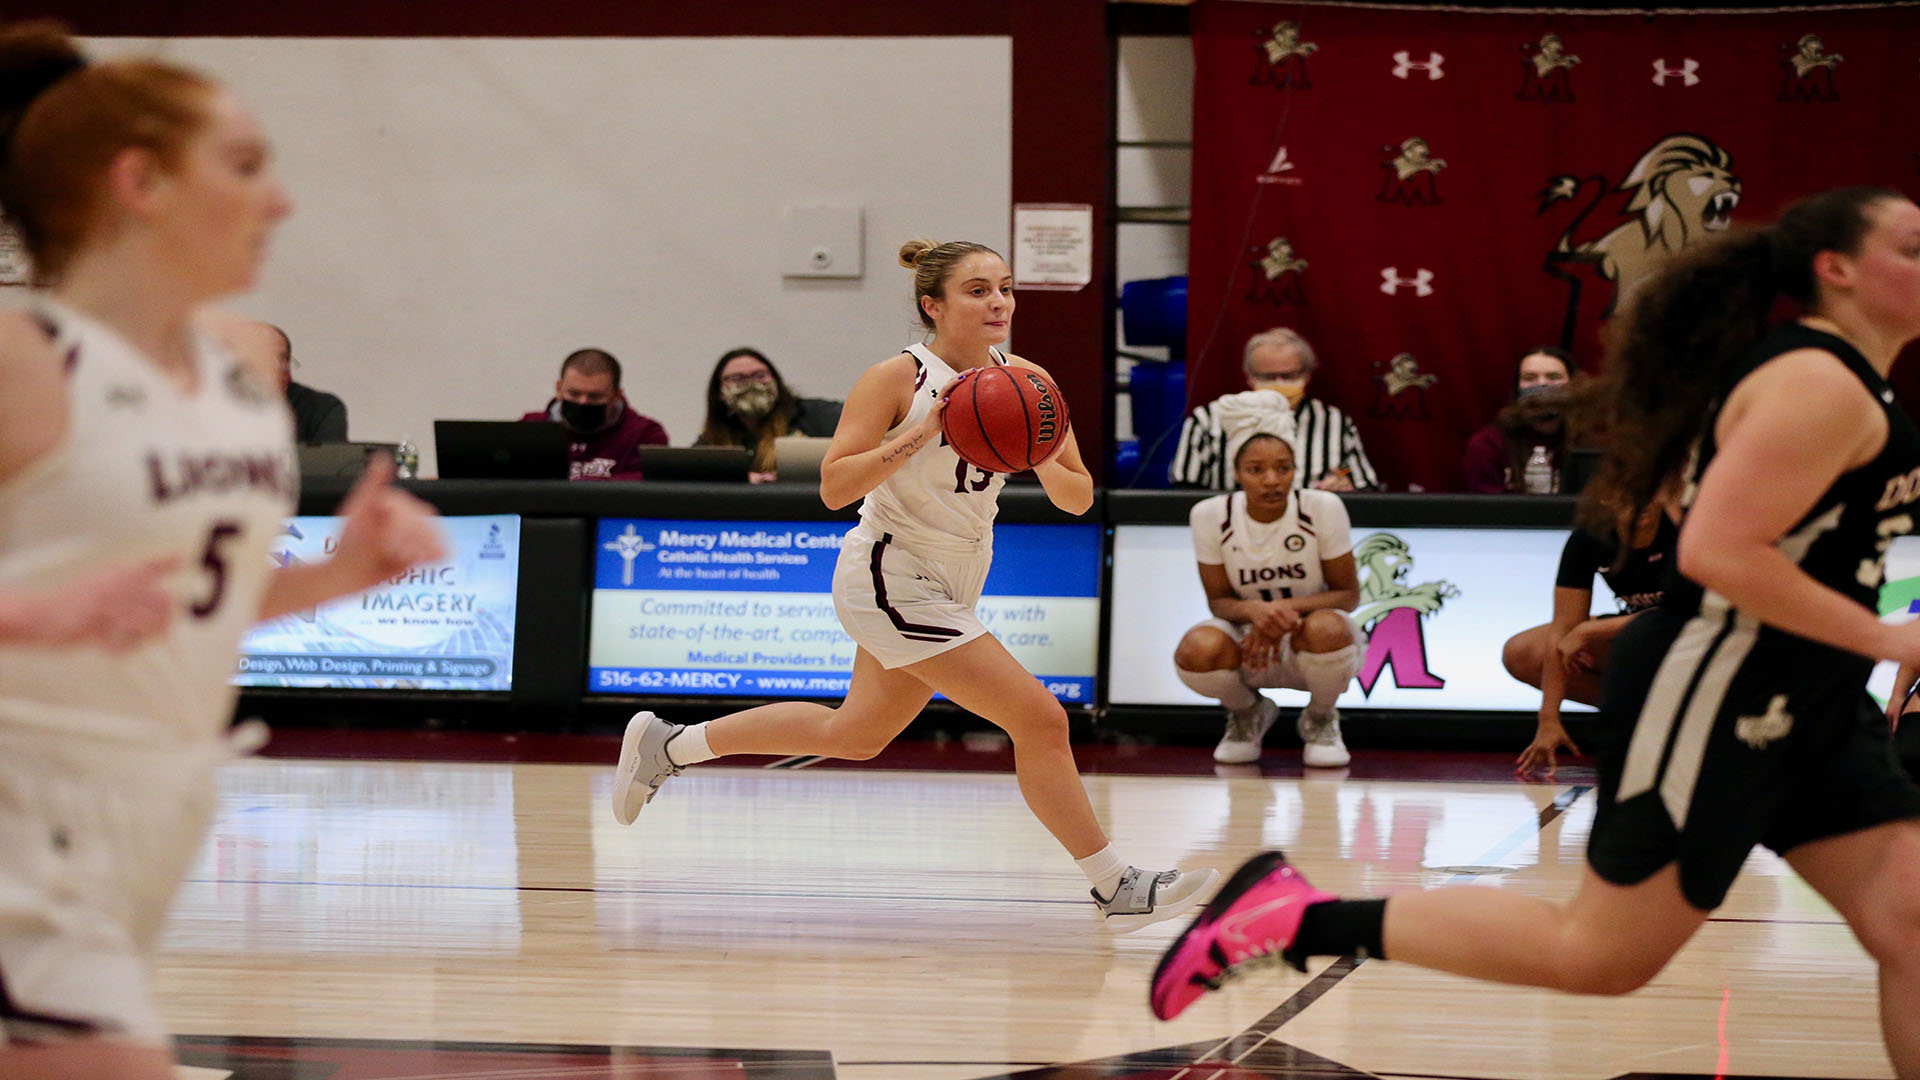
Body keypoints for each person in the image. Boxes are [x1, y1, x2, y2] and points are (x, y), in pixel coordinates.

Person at [1149, 187, 1920, 1079]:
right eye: (1909, 245)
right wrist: (1890, 640)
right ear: (1838, 272)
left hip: (1808, 698)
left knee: (1908, 925)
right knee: (1596, 955)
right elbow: (1713, 551)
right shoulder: (1816, 380)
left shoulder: (1846, 378)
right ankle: (1291, 919)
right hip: (1723, 691)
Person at [0, 23, 444, 1079]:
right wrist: (24, 615)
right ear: (138, 182)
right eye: (244, 166)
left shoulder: (235, 380)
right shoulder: (27, 363)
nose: (280, 200)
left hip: (145, 807)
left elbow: (193, 598)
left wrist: (343, 576)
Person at [612, 237, 1219, 930]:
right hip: (890, 573)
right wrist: (926, 429)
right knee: (1041, 719)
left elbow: (1078, 498)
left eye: (1006, 288)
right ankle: (1115, 885)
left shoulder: (1027, 379)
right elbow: (835, 487)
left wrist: (1040, 450)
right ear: (933, 305)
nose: (999, 303)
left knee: (857, 733)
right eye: (978, 290)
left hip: (956, 578)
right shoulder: (896, 379)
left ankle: (670, 744)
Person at [1172, 390, 1365, 768]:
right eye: (1256, 470)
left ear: (1296, 467)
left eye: (1284, 467)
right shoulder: (1210, 515)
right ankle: (1248, 713)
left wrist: (1276, 612)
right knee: (1196, 650)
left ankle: (1322, 717)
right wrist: (1256, 616)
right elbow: (1218, 602)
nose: (1272, 480)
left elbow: (1347, 595)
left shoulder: (1323, 507)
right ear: (1236, 472)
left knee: (1328, 628)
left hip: (1311, 635)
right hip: (1249, 640)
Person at [1506, 488, 1679, 776]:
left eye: (1648, 492)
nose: (1642, 503)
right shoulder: (1590, 538)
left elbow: (1691, 608)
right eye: (1632, 493)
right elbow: (1563, 627)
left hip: (1694, 637)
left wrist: (1592, 629)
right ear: (1610, 496)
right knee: (1522, 653)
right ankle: (1646, 715)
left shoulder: (1683, 526)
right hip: (1639, 633)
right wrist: (1549, 718)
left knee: (1630, 637)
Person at [1169, 326, 1379, 493]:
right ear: (1249, 377)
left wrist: (1346, 488)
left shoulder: (1333, 421)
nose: (1279, 384)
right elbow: (1185, 493)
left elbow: (1365, 488)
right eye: (1268, 377)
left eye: (1288, 377)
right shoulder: (1207, 419)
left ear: (1307, 375)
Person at [693, 346, 843, 482]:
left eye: (759, 375)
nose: (751, 385)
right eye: (737, 379)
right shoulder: (714, 437)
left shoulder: (818, 415)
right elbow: (690, 472)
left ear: (776, 381)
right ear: (718, 392)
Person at [520, 347, 668, 480]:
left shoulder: (644, 435)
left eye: (595, 397)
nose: (583, 402)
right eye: (574, 394)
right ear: (559, 389)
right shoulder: (530, 428)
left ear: (617, 395)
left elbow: (649, 486)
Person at [1461, 347, 1574, 494]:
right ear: (1517, 386)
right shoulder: (1488, 444)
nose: (1541, 384)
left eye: (1553, 377)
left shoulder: (1590, 441)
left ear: (1574, 385)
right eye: (1530, 378)